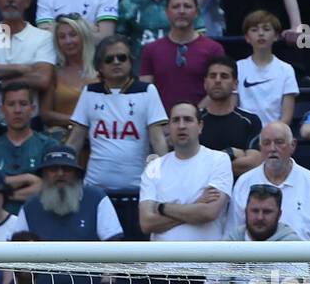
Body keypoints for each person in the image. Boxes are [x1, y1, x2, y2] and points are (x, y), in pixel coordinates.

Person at [68, 37, 168, 194]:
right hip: (94, 189)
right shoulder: (89, 92)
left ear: (130, 61)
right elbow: (75, 141)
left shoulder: (147, 91)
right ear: (99, 65)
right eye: (109, 59)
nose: (116, 62)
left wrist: (166, 179)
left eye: (122, 57)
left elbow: (158, 140)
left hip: (138, 189)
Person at [138, 103, 233, 241]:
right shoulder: (154, 167)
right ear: (169, 127)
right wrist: (195, 205)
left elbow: (209, 213)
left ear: (200, 126)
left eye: (188, 120)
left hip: (206, 259)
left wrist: (161, 208)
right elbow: (147, 223)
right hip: (162, 260)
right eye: (176, 120)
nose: (181, 126)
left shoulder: (219, 160)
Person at [226, 121, 310, 241]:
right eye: (266, 143)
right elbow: (233, 234)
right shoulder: (244, 182)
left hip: (302, 258)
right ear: (260, 148)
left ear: (293, 145)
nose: (272, 149)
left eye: (279, 142)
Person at [13, 146, 124, 240]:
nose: (60, 174)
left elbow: (113, 242)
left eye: (67, 169)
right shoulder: (31, 206)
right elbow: (16, 248)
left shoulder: (96, 198)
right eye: (53, 169)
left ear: (76, 174)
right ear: (44, 175)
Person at [0, 0, 56, 113]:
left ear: (28, 2)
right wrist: (20, 69)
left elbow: (42, 79)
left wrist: (3, 82)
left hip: (30, 124)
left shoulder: (43, 37)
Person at [0, 83, 57, 210]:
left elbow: (49, 187)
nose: (17, 110)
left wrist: (2, 191)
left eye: (23, 104)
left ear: (33, 109)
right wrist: (28, 178)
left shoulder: (49, 145)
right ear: (3, 110)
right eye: (11, 104)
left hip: (38, 218)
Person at [139, 0, 223, 112]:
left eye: (187, 6)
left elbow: (218, 88)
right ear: (167, 12)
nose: (181, 11)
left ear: (197, 12)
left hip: (203, 121)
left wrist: (193, 116)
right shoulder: (151, 49)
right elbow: (145, 91)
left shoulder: (213, 49)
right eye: (176, 6)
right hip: (162, 122)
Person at [198, 57, 262, 177]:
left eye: (224, 76)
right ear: (205, 83)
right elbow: (188, 163)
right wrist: (231, 153)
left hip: (239, 191)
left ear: (235, 84)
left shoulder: (250, 121)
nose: (217, 80)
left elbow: (254, 164)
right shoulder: (194, 120)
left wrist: (205, 166)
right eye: (212, 76)